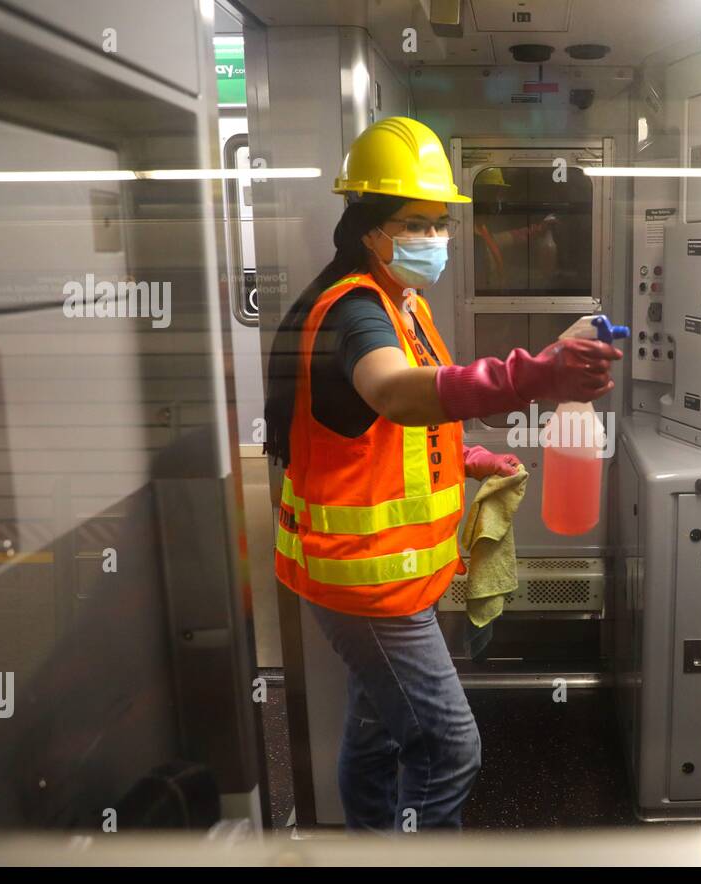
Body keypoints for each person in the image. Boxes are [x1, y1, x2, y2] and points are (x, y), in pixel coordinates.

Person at [262, 117, 621, 831]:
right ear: (369, 225)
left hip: (393, 576)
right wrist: (535, 376)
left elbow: (385, 428)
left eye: (443, 223)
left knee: (373, 734)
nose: (438, 239)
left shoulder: (403, 302)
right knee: (450, 747)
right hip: (365, 583)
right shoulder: (356, 313)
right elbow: (394, 391)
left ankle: (369, 844)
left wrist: (466, 457)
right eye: (418, 224)